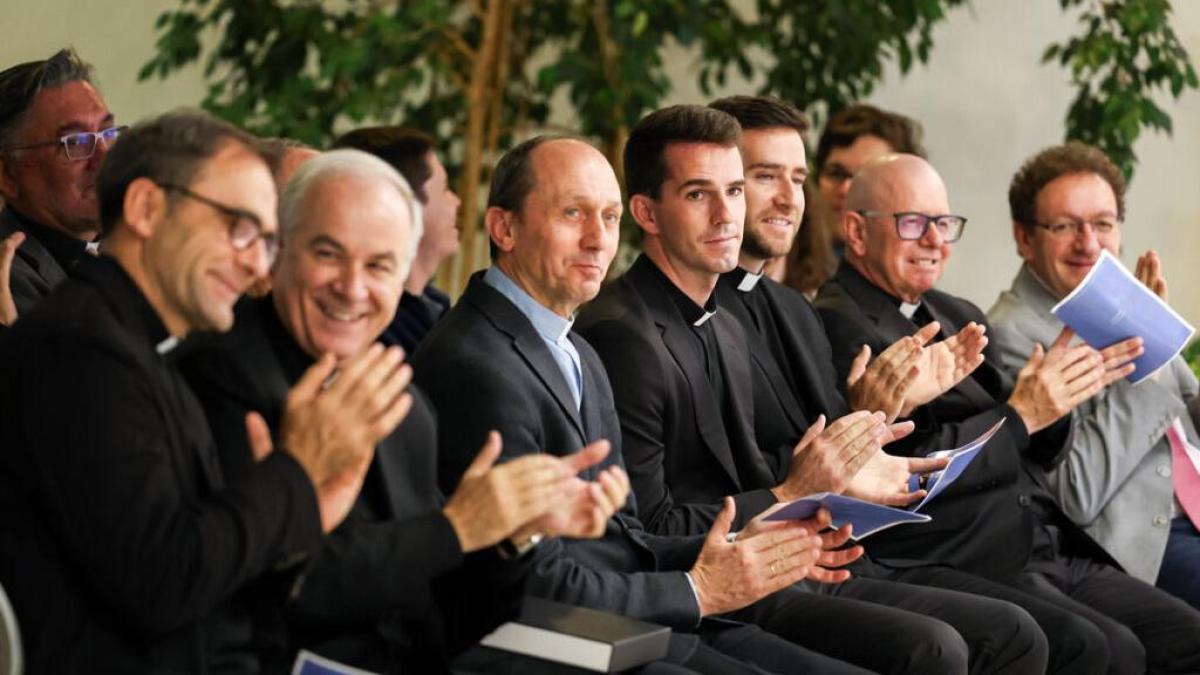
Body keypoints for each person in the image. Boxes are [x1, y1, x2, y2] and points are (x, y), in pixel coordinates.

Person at [576, 103, 1047, 675]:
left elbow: (783, 465)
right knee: (941, 647)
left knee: (1011, 634)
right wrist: (796, 494)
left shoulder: (723, 317)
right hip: (716, 580)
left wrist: (864, 439)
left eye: (736, 189)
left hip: (799, 552)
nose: (731, 212)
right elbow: (650, 529)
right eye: (702, 194)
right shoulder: (623, 334)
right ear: (647, 213)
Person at [415, 134, 874, 675]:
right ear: (503, 227)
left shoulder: (576, 348)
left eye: (609, 218)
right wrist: (697, 589)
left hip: (612, 618)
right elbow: (530, 584)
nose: (597, 240)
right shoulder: (475, 364)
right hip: (533, 641)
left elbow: (623, 538)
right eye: (572, 214)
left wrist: (753, 546)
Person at [0, 111, 415, 672]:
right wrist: (295, 472)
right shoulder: (79, 349)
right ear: (147, 208)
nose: (255, 263)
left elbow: (210, 588)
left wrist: (303, 505)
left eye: (267, 241)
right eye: (238, 227)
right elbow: (162, 584)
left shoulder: (143, 347)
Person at [180, 149, 625, 672]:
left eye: (379, 265)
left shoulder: (403, 399)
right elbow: (274, 589)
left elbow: (451, 621)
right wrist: (458, 528)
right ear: (278, 251)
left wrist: (510, 534)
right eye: (328, 254)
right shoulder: (220, 375)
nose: (353, 287)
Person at [814, 151, 1200, 674]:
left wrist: (1051, 405)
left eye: (945, 224)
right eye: (913, 224)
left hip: (1039, 541)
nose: (935, 241)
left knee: (1183, 636)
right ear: (857, 233)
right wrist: (1023, 414)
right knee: (1105, 648)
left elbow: (1034, 450)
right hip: (958, 552)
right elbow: (903, 475)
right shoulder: (837, 325)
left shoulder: (955, 312)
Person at [988, 141, 1200, 610]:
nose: (1089, 243)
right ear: (1024, 238)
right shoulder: (1012, 335)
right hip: (1145, 541)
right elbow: (1076, 493)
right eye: (1064, 226)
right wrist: (1143, 362)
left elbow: (1188, 410)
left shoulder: (1118, 300)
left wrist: (1155, 330)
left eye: (1102, 224)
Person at [0, 48, 118, 314]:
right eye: (75, 142)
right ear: (7, 174)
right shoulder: (9, 279)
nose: (104, 158)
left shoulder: (130, 245)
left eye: (108, 133)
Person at [333, 126, 460, 353]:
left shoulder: (438, 309)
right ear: (405, 205)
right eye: (445, 189)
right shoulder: (367, 332)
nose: (456, 202)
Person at [775, 104, 925, 292]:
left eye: (866, 177)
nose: (846, 188)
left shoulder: (916, 288)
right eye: (836, 173)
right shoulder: (775, 266)